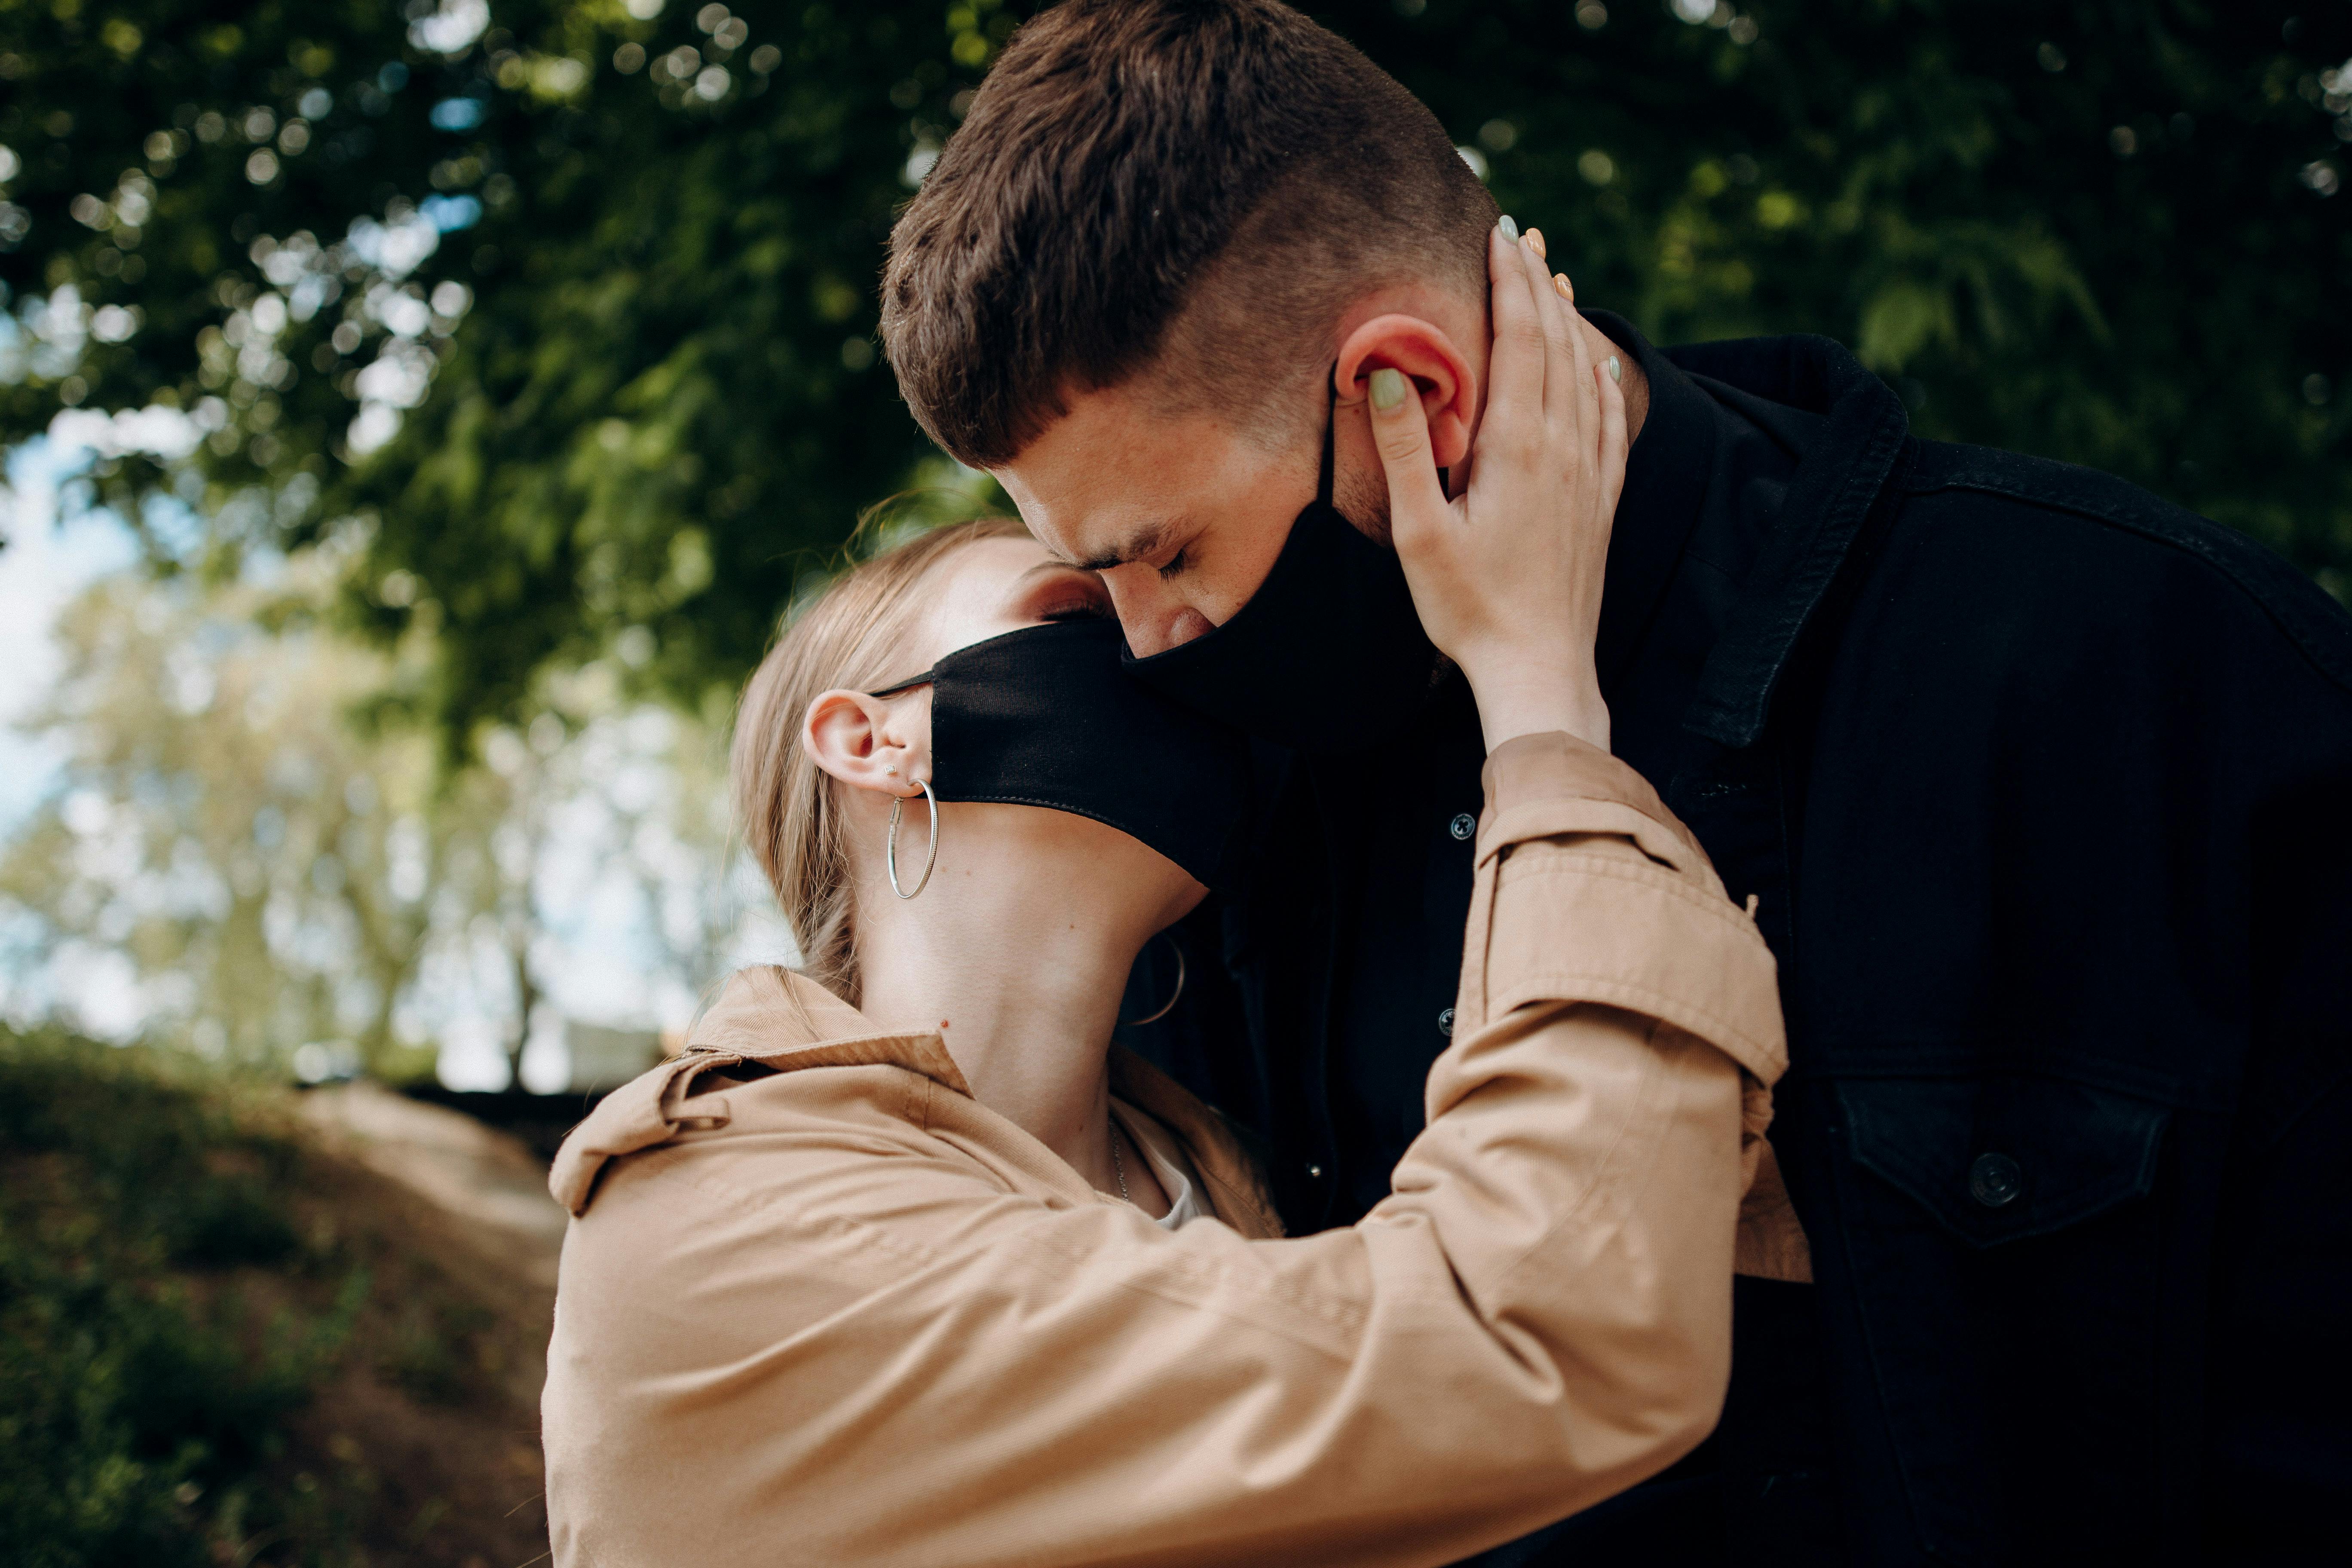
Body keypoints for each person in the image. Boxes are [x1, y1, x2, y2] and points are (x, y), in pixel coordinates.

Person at [877, 2, 2352, 1565]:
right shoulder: (1205, 824)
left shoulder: (2165, 690)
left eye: (1167, 555)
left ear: (1412, 394)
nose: (1143, 641)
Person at [539, 239, 1795, 1568]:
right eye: (1080, 612)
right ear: (875, 741)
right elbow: (1532, 1336)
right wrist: (1538, 692)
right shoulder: (726, 1225)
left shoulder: (1237, 1181)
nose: (1157, 647)